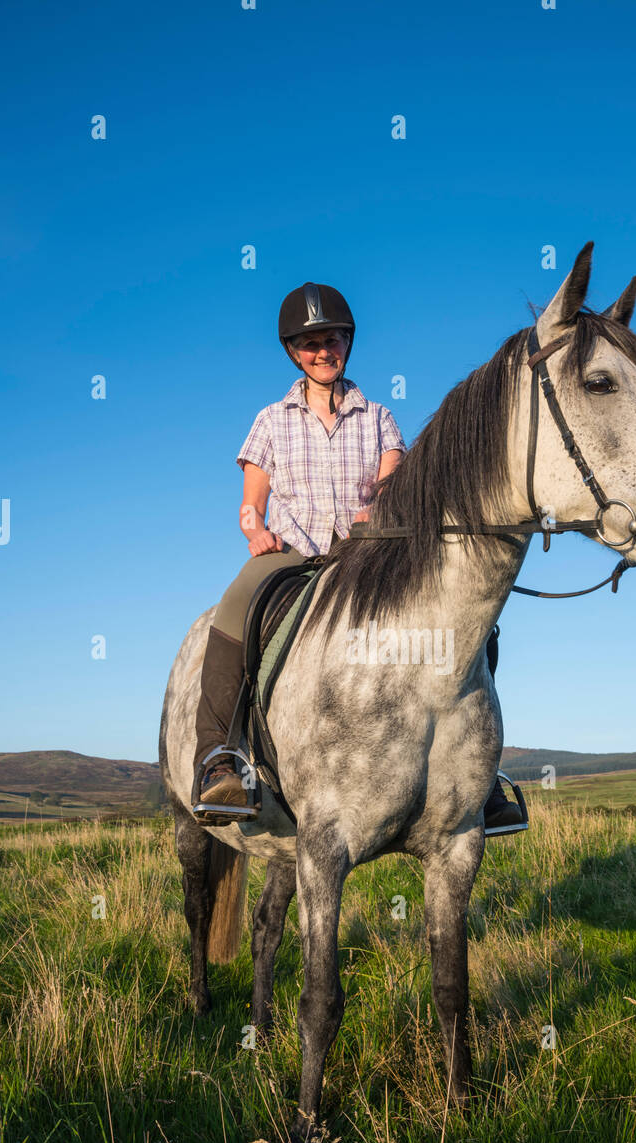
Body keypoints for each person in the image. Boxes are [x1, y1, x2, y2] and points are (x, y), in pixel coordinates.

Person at [192, 281, 524, 833]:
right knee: (235, 607)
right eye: (311, 342)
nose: (324, 351)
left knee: (471, 619)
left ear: (348, 342)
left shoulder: (380, 419)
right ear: (293, 352)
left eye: (334, 338)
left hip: (368, 557)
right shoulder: (271, 420)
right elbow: (251, 505)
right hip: (295, 553)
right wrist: (257, 535)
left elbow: (397, 487)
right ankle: (217, 761)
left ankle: (479, 777)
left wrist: (384, 512)